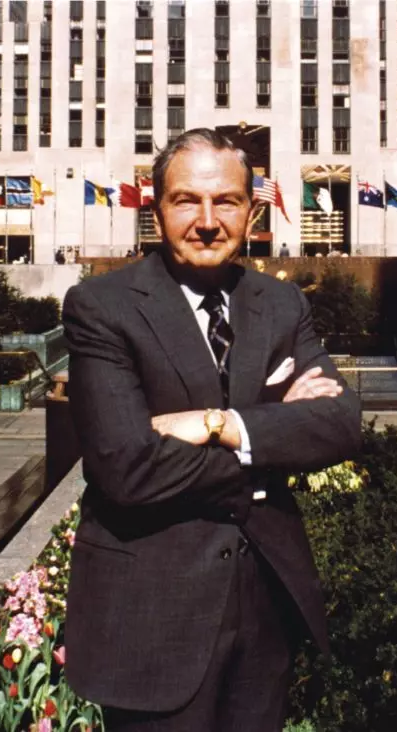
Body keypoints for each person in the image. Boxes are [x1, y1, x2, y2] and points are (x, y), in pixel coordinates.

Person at [62, 127, 362, 732]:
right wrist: (274, 439)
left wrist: (216, 424)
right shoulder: (102, 306)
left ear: (252, 211)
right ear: (157, 208)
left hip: (264, 606)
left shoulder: (281, 305)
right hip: (153, 611)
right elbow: (126, 466)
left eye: (225, 201)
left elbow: (338, 423)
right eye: (186, 201)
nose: (207, 220)